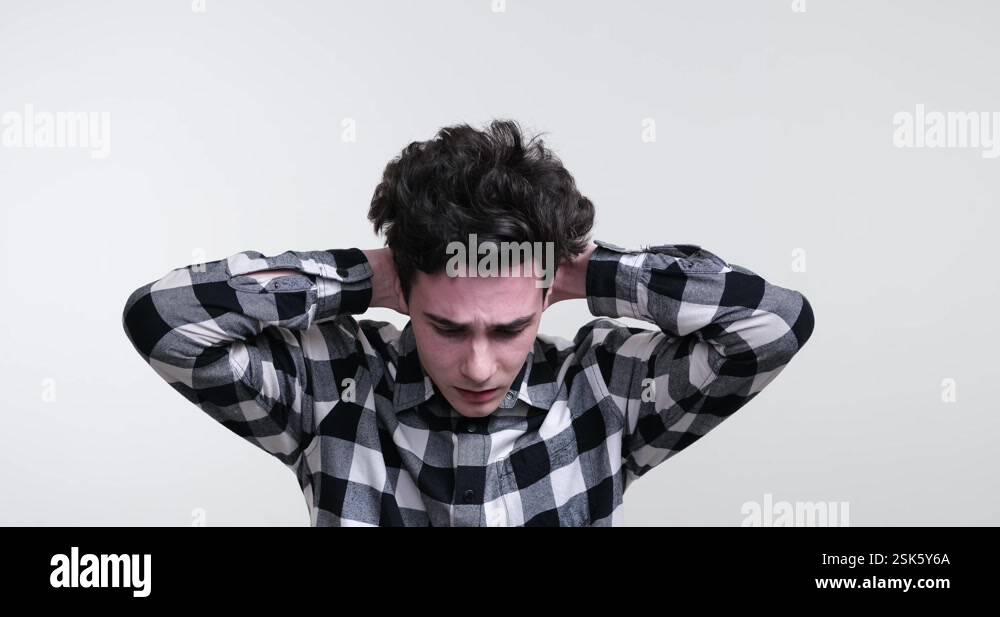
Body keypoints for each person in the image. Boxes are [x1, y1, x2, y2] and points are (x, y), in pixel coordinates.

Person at [122, 119, 815, 526]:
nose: (479, 366)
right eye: (448, 327)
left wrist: (585, 271)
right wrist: (366, 275)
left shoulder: (606, 391)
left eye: (509, 328)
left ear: (546, 299)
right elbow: (165, 317)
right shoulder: (333, 387)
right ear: (406, 296)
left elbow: (771, 323)